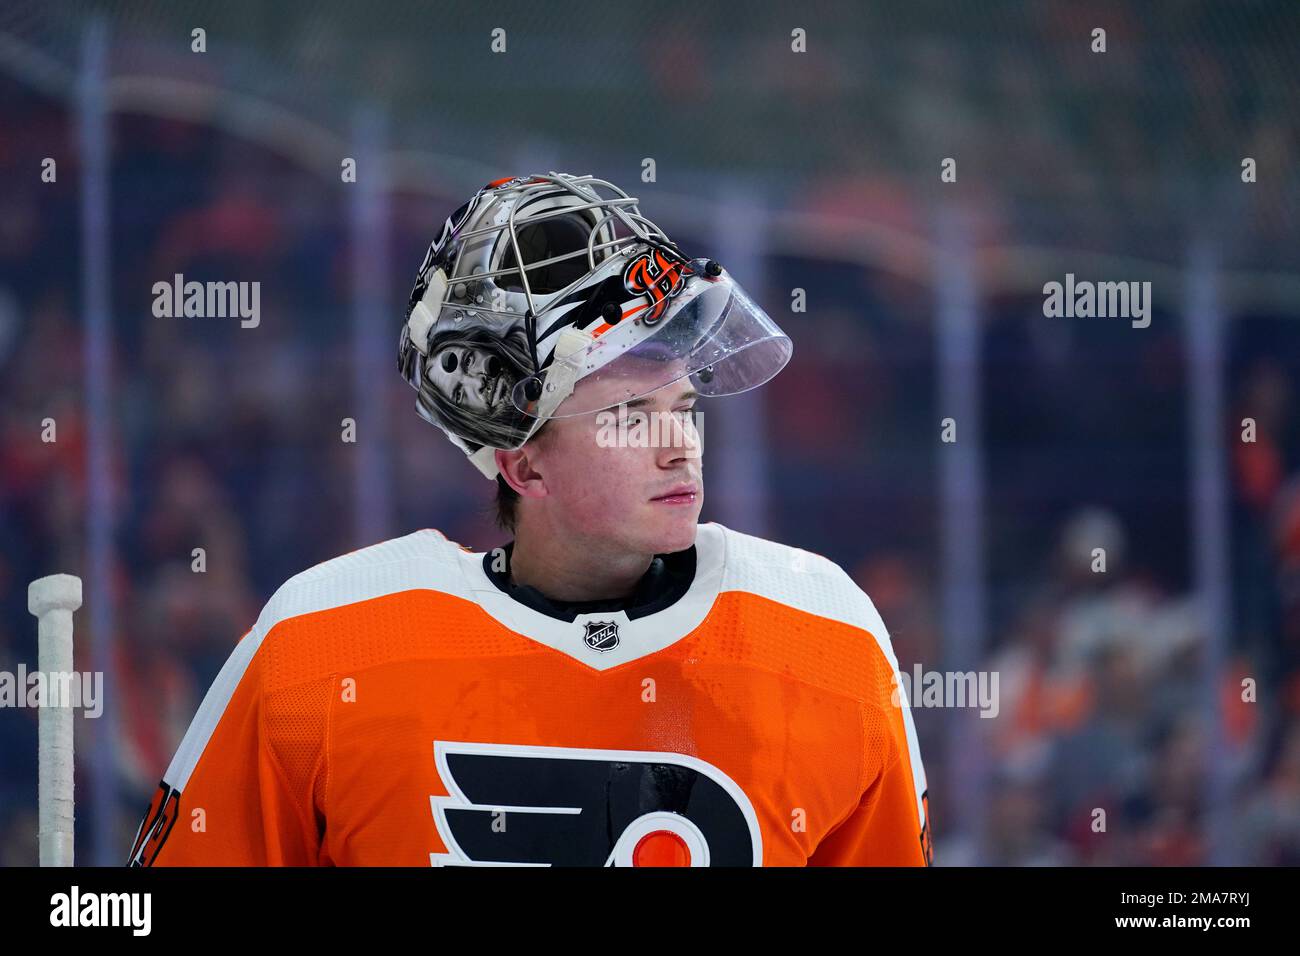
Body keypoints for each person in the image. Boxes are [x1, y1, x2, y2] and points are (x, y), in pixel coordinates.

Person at [128, 172, 930, 866]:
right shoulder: (325, 648)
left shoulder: (823, 636)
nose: (680, 445)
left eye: (683, 406)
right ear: (522, 463)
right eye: (628, 414)